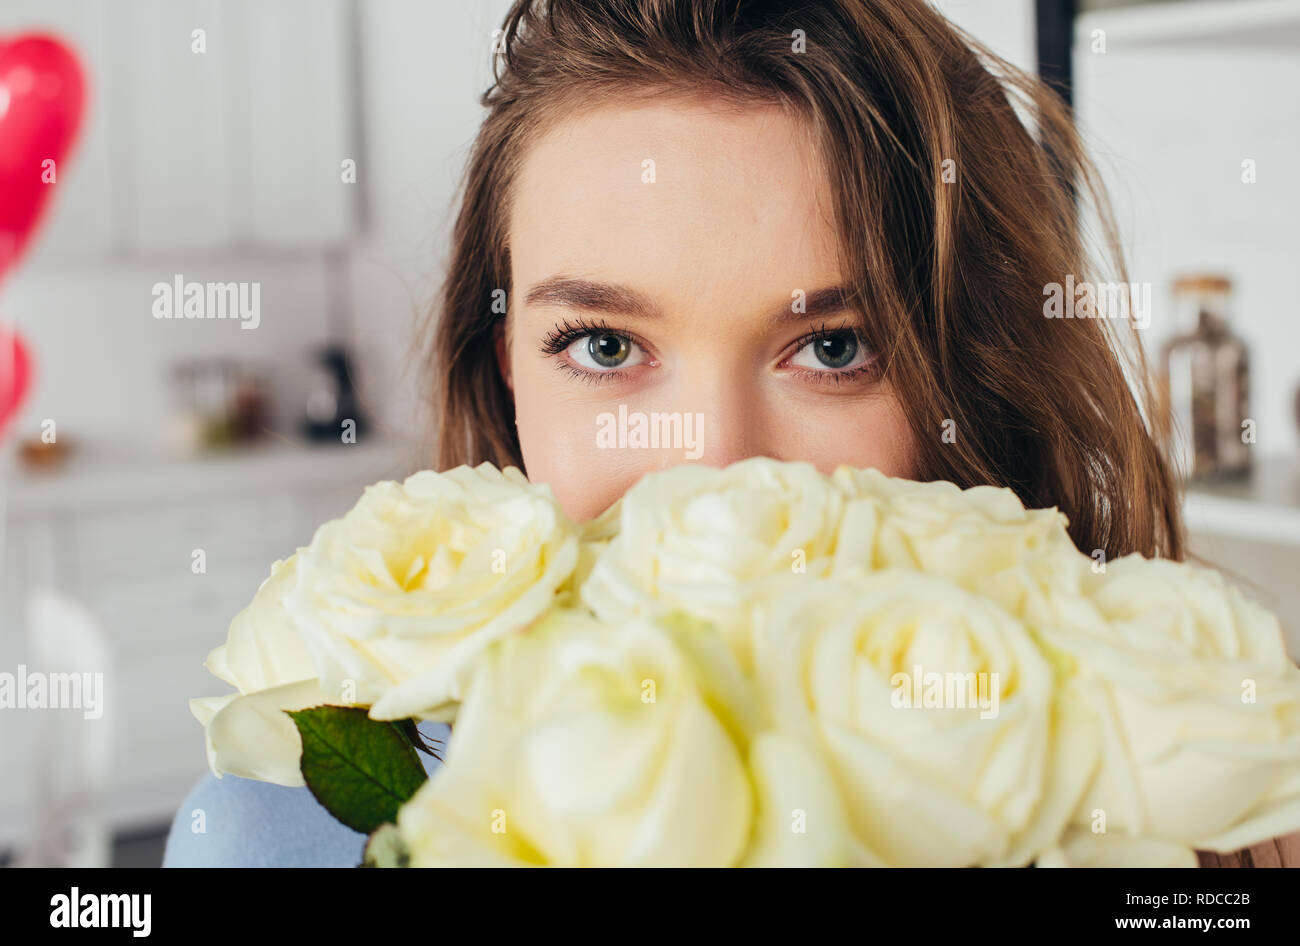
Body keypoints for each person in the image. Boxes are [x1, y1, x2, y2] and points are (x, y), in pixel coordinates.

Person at [166, 0, 1294, 866]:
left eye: (835, 348)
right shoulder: (284, 832)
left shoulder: (1180, 810)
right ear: (504, 370)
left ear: (975, 381)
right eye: (605, 347)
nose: (710, 472)